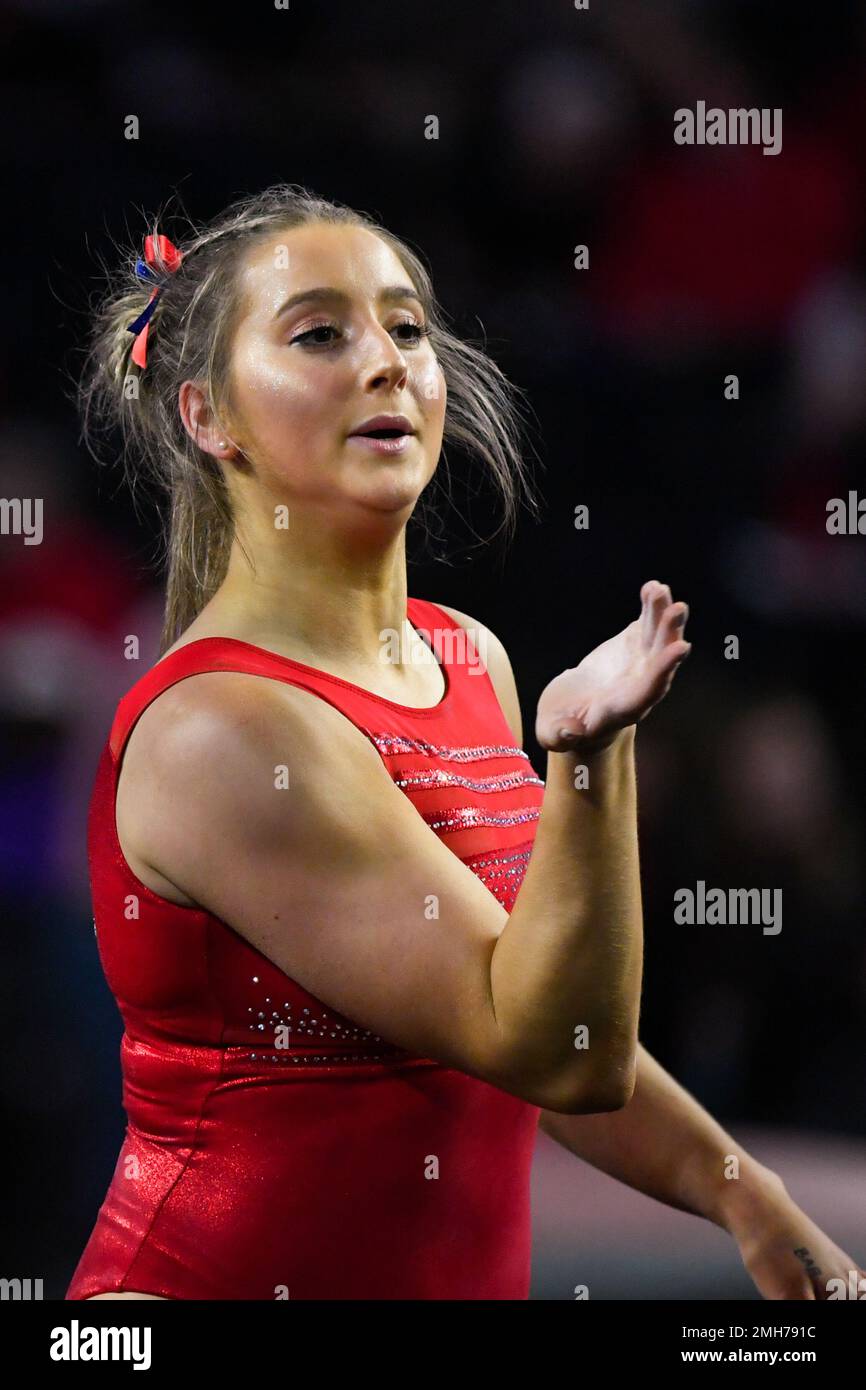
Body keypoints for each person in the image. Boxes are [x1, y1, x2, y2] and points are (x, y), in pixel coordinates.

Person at [66, 184, 860, 1301]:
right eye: (320, 333)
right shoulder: (222, 729)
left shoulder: (462, 654)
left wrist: (741, 1191)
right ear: (209, 417)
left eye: (405, 326)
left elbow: (537, 1002)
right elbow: (554, 1050)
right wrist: (587, 763)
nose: (387, 360)